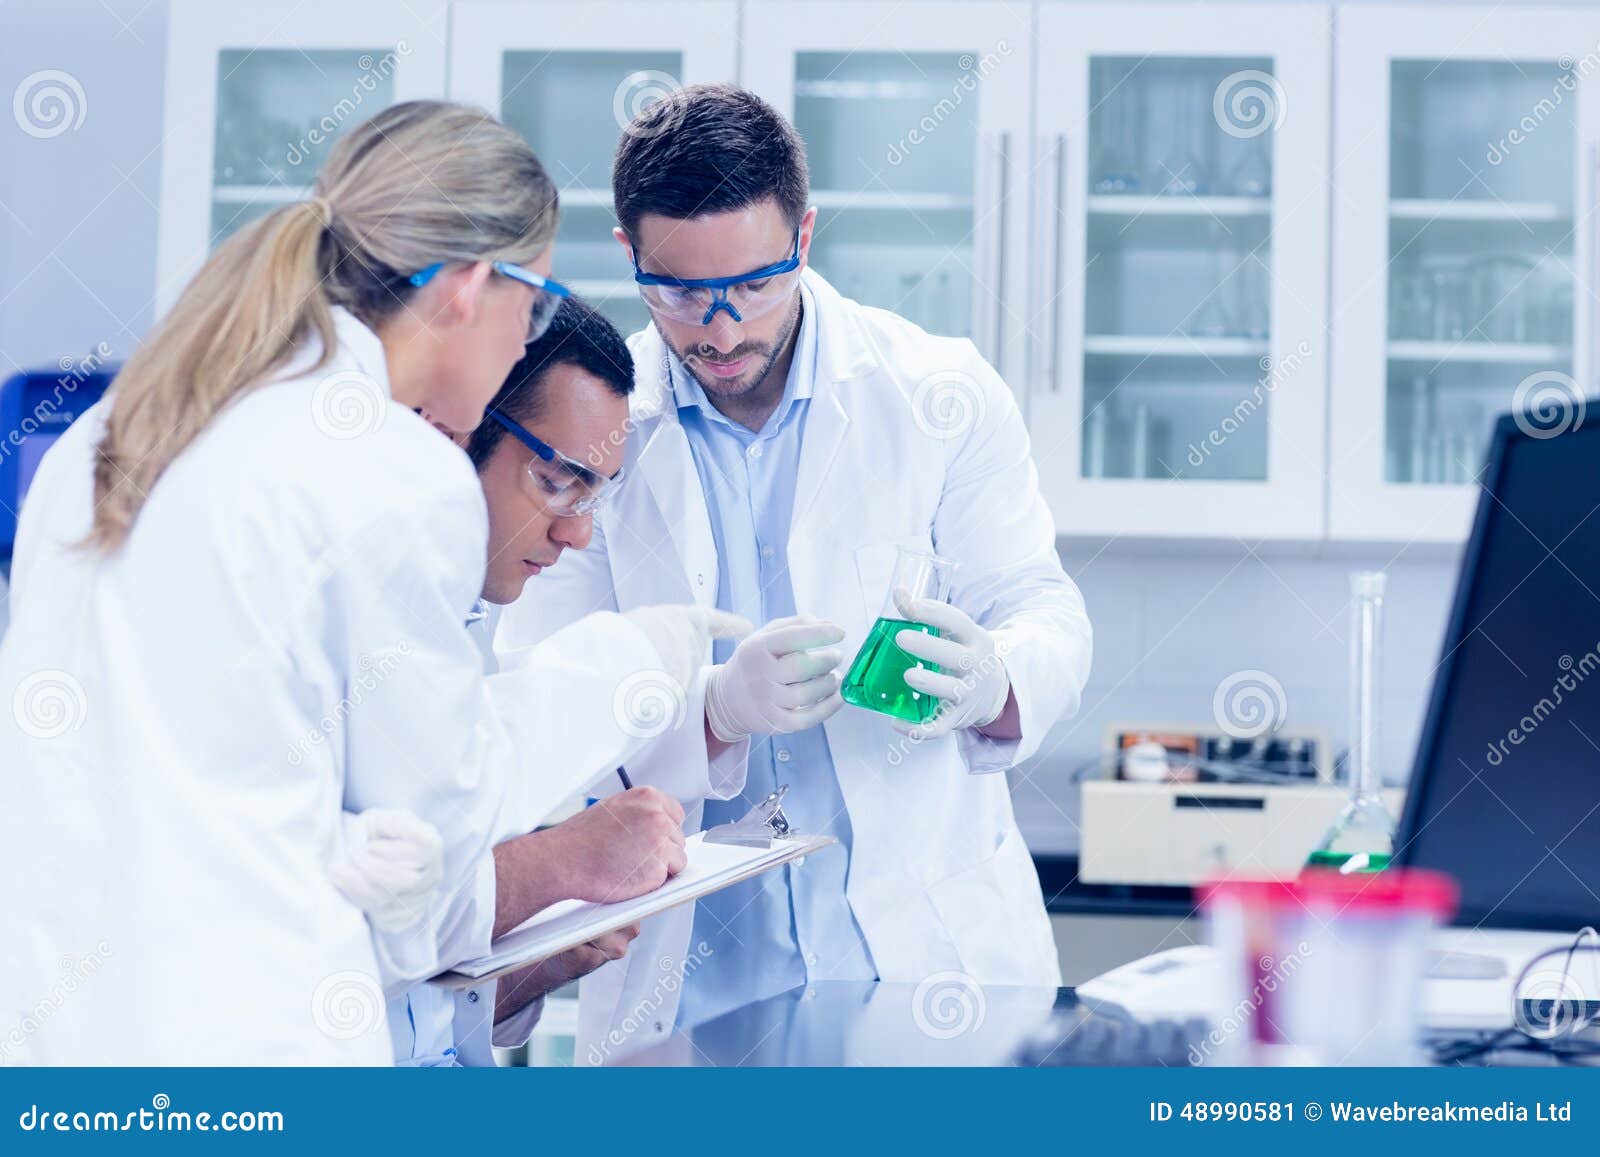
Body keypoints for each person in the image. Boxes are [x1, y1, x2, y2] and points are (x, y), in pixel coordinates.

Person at [0, 101, 744, 1064]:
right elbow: (445, 838)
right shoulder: (392, 471)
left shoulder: (110, 434)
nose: (525, 343)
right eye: (535, 307)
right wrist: (631, 662)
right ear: (472, 287)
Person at [497, 84, 1094, 1061]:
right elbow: (544, 707)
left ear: (805, 236)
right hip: (692, 994)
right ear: (630, 254)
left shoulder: (936, 391)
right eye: (678, 293)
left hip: (926, 973)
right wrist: (711, 710)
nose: (721, 329)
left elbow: (1040, 602)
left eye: (754, 285)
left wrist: (997, 679)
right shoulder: (595, 428)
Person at [375, 298, 749, 1065]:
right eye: (555, 481)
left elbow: (414, 1005)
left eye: (595, 495)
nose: (577, 532)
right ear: (450, 431)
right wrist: (560, 864)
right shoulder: (348, 626)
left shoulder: (456, 622)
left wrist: (542, 960)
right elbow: (344, 928)